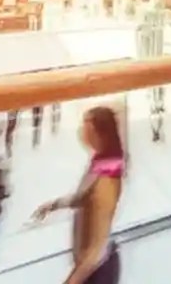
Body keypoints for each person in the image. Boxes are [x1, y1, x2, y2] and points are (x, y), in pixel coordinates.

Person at [32, 107, 124, 284]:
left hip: (97, 272)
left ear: (99, 131)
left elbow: (98, 245)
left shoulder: (107, 177)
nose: (81, 131)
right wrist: (53, 205)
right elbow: (81, 198)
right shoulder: (99, 163)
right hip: (89, 269)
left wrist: (72, 281)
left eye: (86, 125)